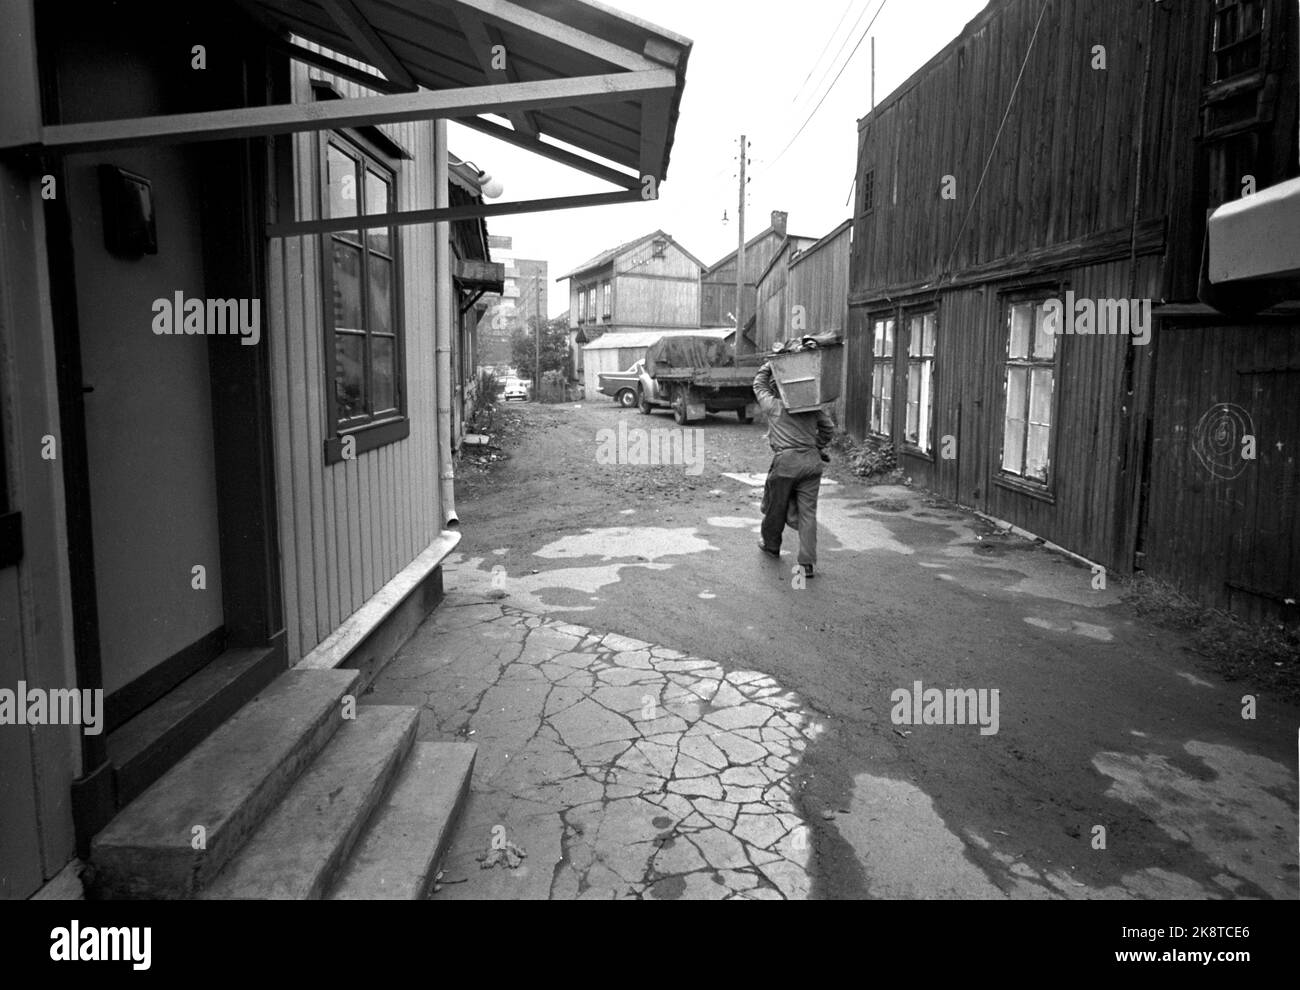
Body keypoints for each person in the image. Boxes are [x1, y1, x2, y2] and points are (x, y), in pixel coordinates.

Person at [752, 362, 834, 579]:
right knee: (808, 514)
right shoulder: (811, 407)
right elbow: (828, 428)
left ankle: (771, 545)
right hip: (811, 463)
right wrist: (818, 446)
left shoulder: (774, 406)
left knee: (775, 507)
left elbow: (758, 384)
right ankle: (806, 564)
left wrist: (770, 364)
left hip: (786, 464)